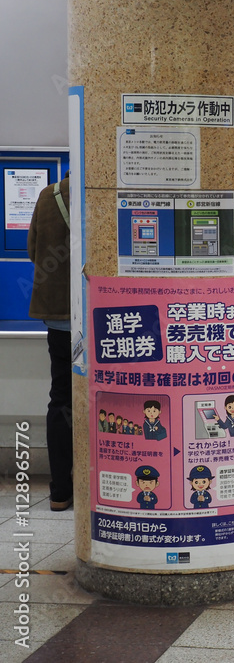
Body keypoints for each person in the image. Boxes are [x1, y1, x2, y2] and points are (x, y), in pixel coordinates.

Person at [27, 173, 73, 512]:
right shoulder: (101, 194)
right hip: (105, 317)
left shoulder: (47, 195)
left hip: (59, 315)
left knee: (61, 399)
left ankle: (60, 491)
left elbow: (32, 250)